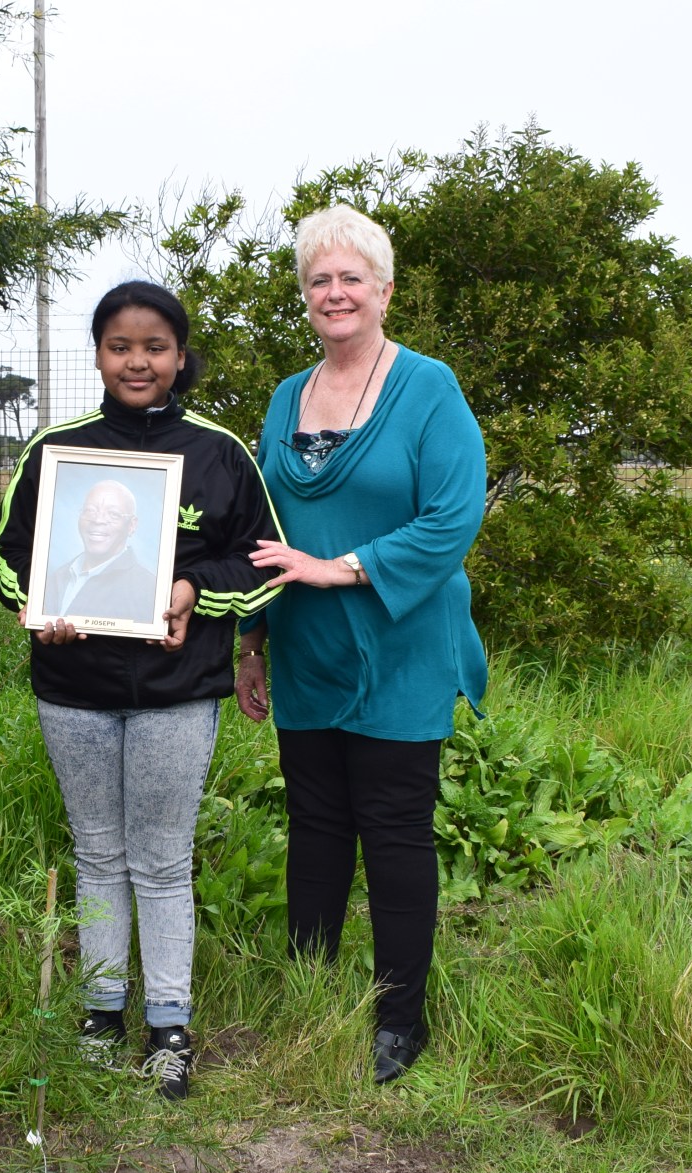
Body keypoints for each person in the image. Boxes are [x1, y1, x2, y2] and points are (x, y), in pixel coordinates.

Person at [0, 280, 282, 1099]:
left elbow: (261, 566)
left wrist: (192, 590)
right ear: (99, 355)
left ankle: (169, 1027)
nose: (138, 360)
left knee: (159, 859)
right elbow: (7, 558)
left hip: (178, 694)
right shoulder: (58, 451)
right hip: (73, 691)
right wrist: (38, 610)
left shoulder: (219, 453)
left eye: (155, 346)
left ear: (180, 356)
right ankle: (100, 1014)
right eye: (121, 346)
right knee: (96, 852)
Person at [234, 205, 487, 1085]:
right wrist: (252, 637)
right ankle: (310, 988)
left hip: (399, 644)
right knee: (315, 825)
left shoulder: (429, 388)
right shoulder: (285, 397)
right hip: (307, 650)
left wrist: (339, 569)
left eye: (350, 278)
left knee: (393, 831)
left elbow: (453, 519)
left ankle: (398, 1018)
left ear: (382, 291)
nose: (333, 293)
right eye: (317, 280)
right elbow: (263, 525)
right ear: (304, 298)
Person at [40, 479, 157, 621]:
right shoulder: (58, 576)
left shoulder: (148, 590)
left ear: (131, 525)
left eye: (113, 514)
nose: (98, 520)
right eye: (90, 510)